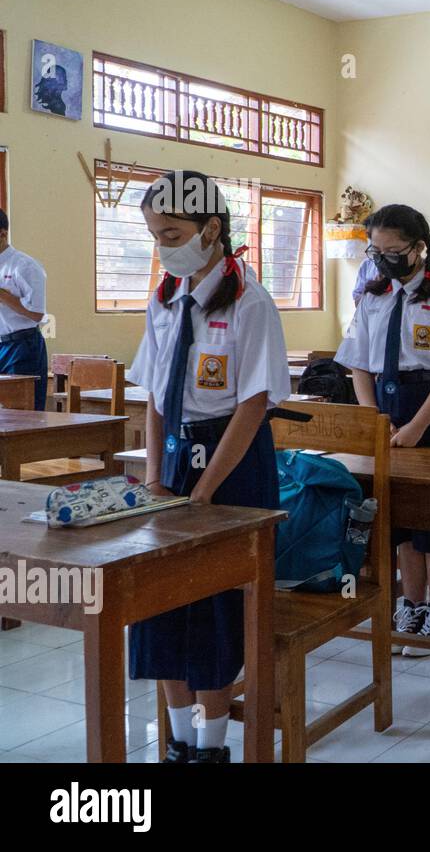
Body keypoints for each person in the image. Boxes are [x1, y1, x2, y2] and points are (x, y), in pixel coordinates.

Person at [126, 170, 290, 763]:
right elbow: (153, 394)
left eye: (170, 232)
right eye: (153, 235)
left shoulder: (249, 301)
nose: (162, 246)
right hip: (174, 464)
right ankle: (178, 742)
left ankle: (212, 748)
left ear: (211, 229)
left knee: (214, 609)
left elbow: (251, 406)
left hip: (233, 465)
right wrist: (154, 479)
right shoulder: (165, 297)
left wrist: (204, 495)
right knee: (161, 600)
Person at [334, 204, 430, 655]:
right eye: (375, 251)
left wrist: (418, 425)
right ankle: (411, 604)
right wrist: (373, 419)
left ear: (419, 248)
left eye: (393, 251)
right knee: (399, 515)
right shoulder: (374, 297)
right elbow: (358, 363)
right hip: (388, 406)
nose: (383, 259)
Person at [0, 208, 49, 410]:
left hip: (22, 345)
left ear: (2, 234)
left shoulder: (24, 266)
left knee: (23, 414)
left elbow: (37, 313)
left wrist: (4, 297)